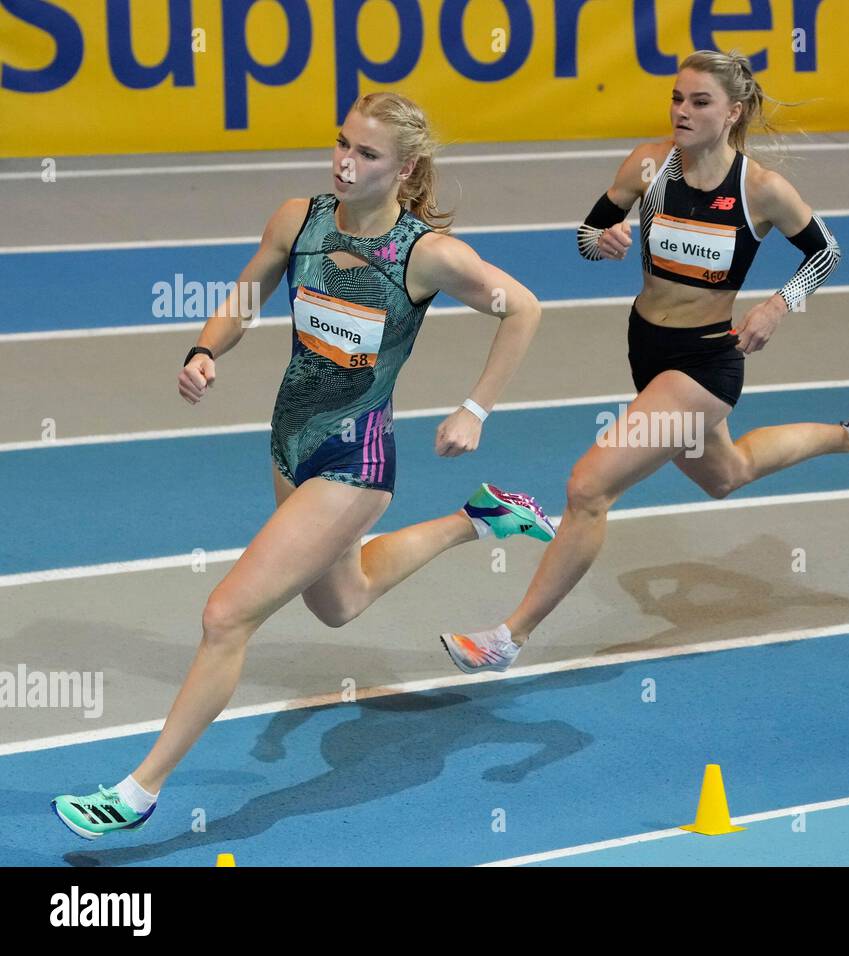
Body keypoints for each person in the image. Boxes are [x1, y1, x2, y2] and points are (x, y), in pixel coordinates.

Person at [51, 92, 555, 839]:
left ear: (406, 167)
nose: (346, 162)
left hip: (355, 460)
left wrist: (474, 409)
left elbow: (526, 308)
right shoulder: (300, 219)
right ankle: (479, 517)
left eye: (368, 154)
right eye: (341, 144)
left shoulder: (426, 256)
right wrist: (202, 351)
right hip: (289, 439)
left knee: (225, 615)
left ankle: (139, 789)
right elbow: (246, 294)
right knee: (339, 602)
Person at [439, 50, 849, 674]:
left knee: (588, 487)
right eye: (676, 98)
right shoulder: (648, 164)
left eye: (700, 102)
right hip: (646, 348)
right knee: (727, 473)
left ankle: (510, 635)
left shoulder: (761, 190)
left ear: (734, 112)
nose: (682, 111)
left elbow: (825, 252)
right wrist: (602, 243)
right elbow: (588, 234)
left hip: (705, 365)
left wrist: (778, 304)